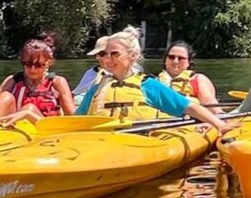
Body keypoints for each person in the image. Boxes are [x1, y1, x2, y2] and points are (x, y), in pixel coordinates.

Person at [78, 29, 228, 131]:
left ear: (133, 56)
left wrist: (220, 125)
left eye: (115, 54)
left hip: (138, 141)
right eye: (105, 54)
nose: (108, 59)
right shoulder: (97, 88)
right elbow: (76, 118)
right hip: (102, 142)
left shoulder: (147, 85)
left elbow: (190, 107)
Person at [0, 34, 76, 122]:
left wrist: (28, 114)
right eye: (27, 64)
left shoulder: (57, 82)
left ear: (48, 63)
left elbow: (73, 118)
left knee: (29, 108)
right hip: (14, 128)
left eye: (38, 65)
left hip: (44, 129)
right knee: (5, 96)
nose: (32, 69)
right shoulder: (13, 80)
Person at [157, 41, 218, 108]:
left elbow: (212, 107)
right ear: (165, 60)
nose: (175, 61)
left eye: (181, 58)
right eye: (171, 57)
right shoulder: (151, 80)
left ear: (188, 62)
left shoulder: (198, 80)